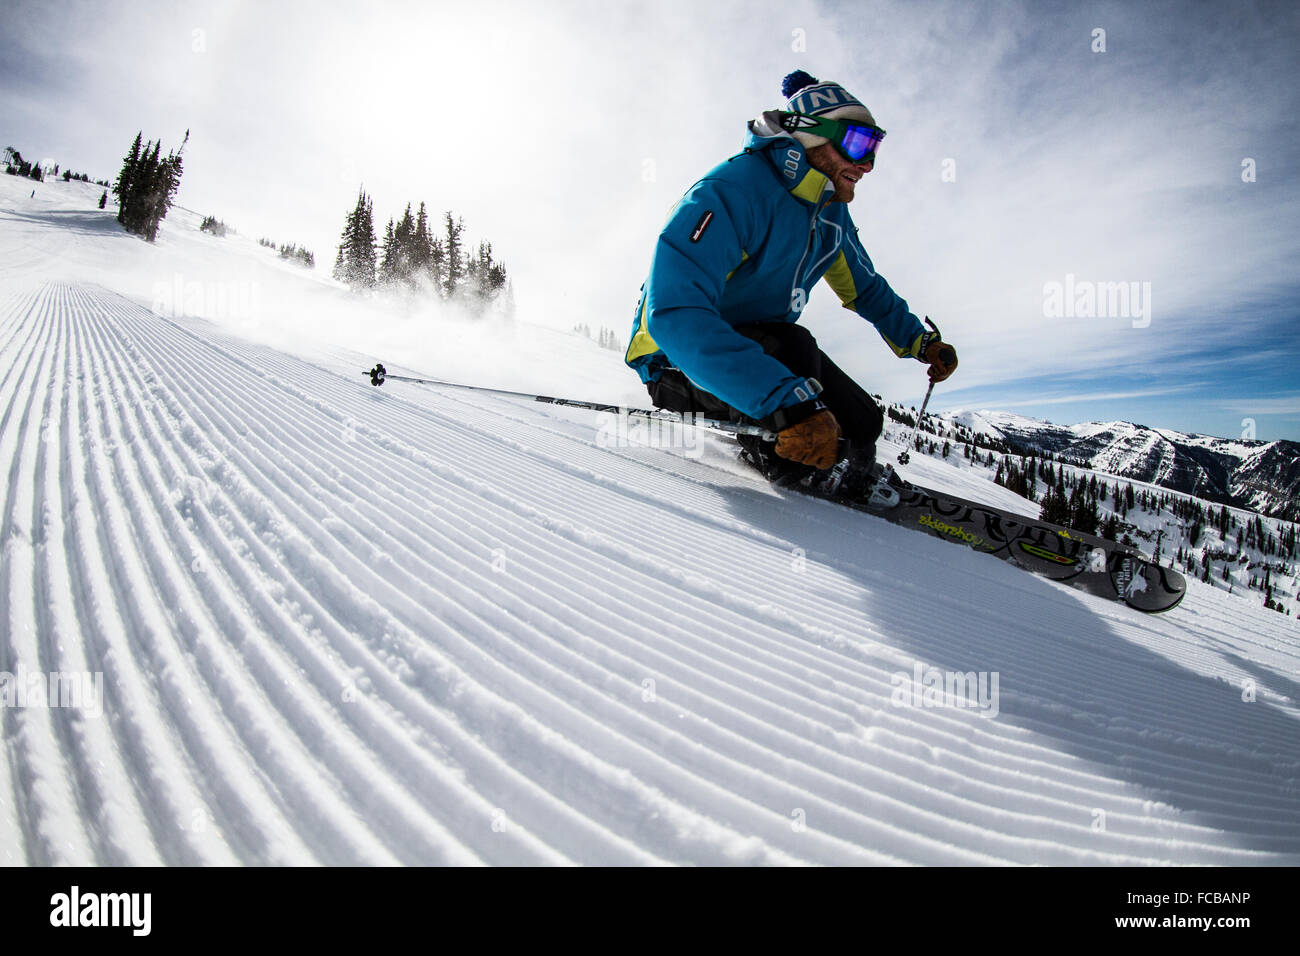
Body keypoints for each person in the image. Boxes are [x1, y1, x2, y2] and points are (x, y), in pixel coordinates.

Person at [624, 70, 958, 497]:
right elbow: (676, 314)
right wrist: (786, 403)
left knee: (863, 422)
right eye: (858, 143)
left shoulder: (829, 211)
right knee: (796, 352)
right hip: (675, 362)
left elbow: (866, 289)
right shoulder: (730, 192)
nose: (868, 164)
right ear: (810, 135)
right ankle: (794, 475)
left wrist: (920, 342)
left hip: (765, 349)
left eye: (875, 147)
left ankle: (851, 471)